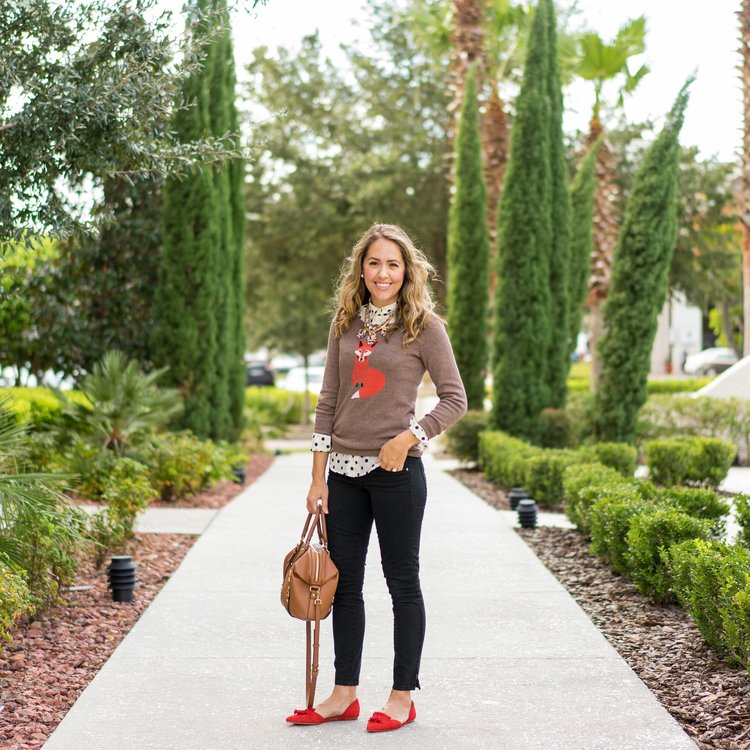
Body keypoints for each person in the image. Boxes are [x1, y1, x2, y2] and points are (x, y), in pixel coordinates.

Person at [285, 223, 467, 733]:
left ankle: (402, 696)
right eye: (373, 263)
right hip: (341, 476)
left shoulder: (424, 326)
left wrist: (408, 438)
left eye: (392, 264)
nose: (382, 273)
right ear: (360, 269)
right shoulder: (345, 322)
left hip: (396, 475)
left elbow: (456, 399)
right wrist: (317, 478)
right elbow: (327, 403)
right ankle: (344, 693)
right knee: (345, 587)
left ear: (406, 270)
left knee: (402, 583)